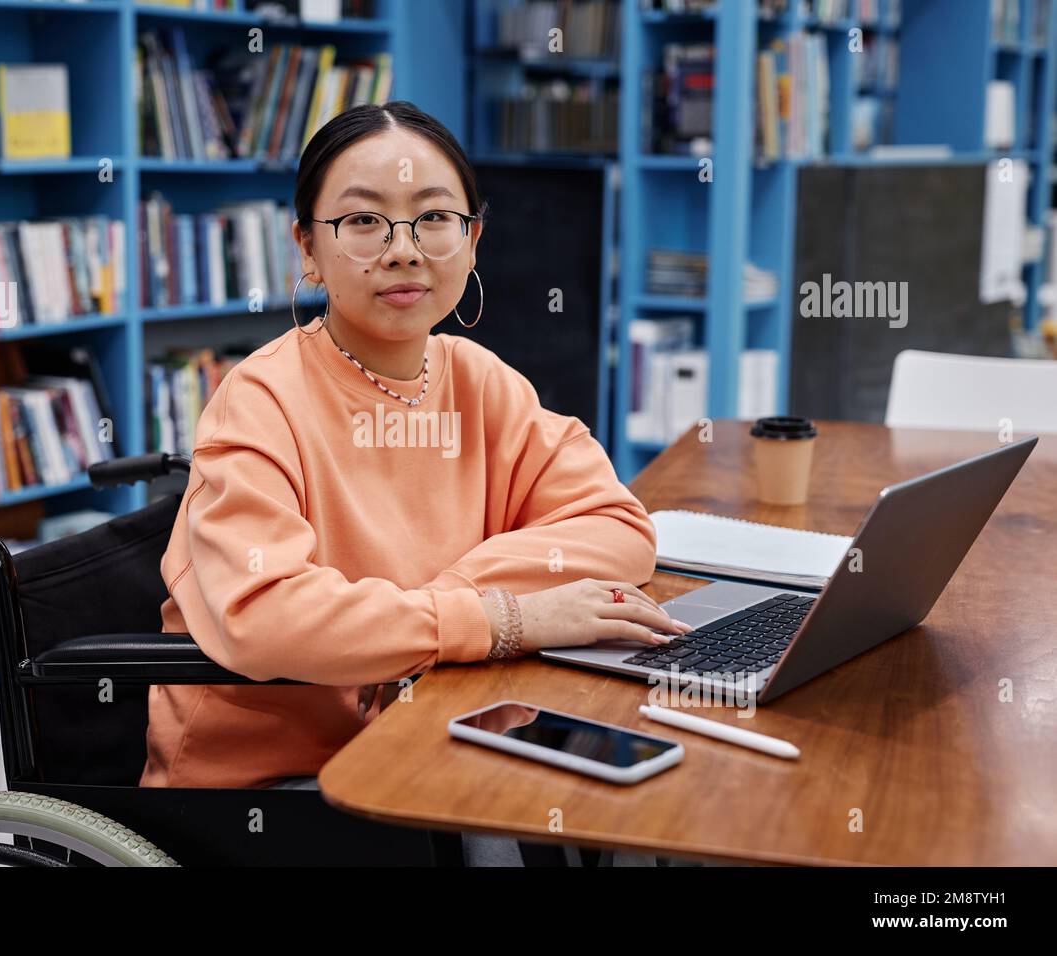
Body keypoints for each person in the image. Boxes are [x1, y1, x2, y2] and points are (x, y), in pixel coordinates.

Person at [139, 100, 691, 866]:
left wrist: (458, 612)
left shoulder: (478, 379)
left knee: (653, 803)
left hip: (431, 722)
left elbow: (620, 531)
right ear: (306, 246)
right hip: (273, 787)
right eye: (363, 223)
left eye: (435, 219)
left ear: (472, 240)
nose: (403, 251)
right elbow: (265, 618)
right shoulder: (259, 399)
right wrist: (500, 621)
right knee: (499, 822)